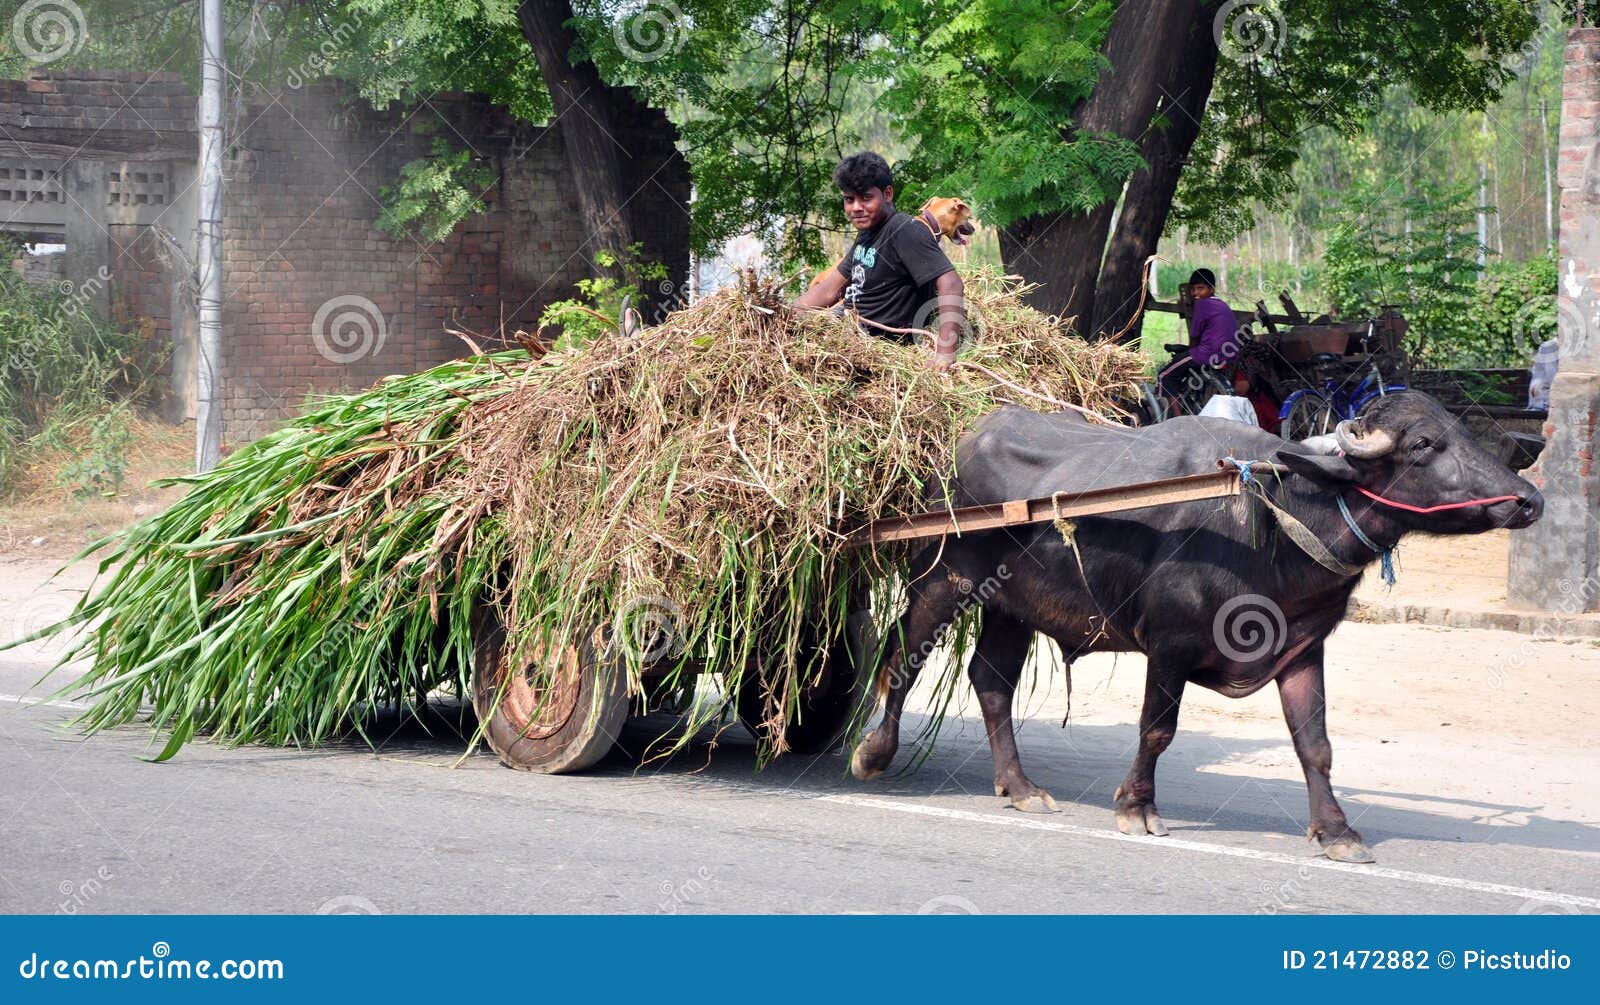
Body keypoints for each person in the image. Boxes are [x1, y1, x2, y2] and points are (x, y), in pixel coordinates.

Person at [797, 152, 966, 372]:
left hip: (871, 345)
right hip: (844, 327)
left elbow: (952, 284)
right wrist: (784, 314)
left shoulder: (903, 229)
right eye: (849, 200)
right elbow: (830, 289)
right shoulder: (868, 233)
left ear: (887, 194)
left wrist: (944, 354)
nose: (856, 207)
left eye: (866, 198)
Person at [1157, 268, 1240, 413]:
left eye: (1200, 288)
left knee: (1165, 375)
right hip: (1227, 354)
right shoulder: (1222, 304)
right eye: (1193, 289)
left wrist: (1191, 350)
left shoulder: (1203, 304)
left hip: (1207, 353)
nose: (1196, 293)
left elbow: (1195, 335)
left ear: (1211, 289)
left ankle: (1177, 419)